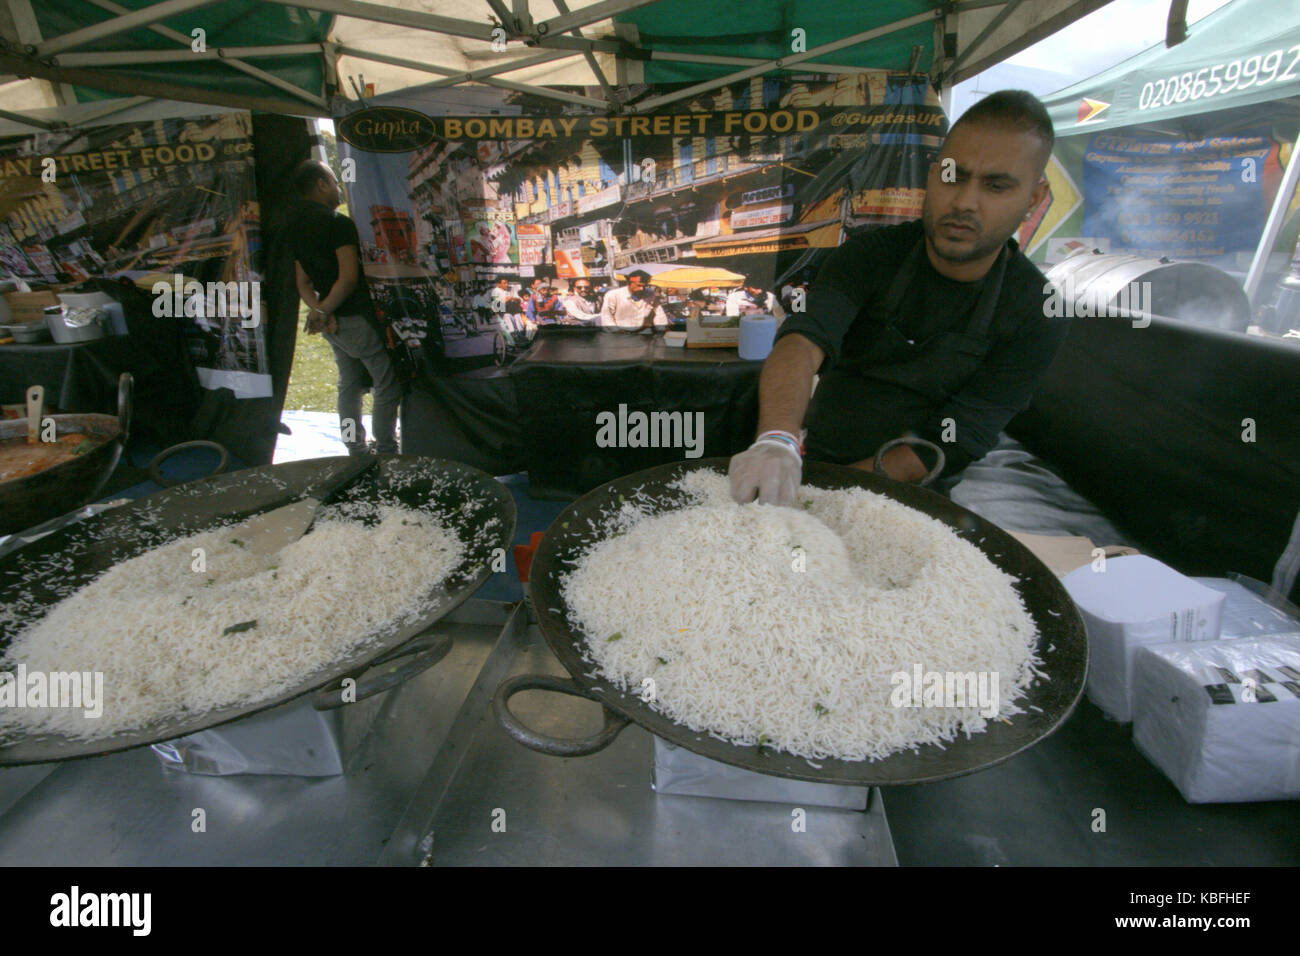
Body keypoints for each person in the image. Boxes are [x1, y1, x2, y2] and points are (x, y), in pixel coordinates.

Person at [729, 90, 1070, 506]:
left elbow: (960, 435)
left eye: (996, 186)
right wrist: (778, 440)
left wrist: (828, 499)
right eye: (952, 176)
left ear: (1033, 199)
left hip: (916, 494)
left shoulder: (1037, 311)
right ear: (932, 175)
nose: (964, 201)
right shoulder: (869, 255)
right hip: (814, 460)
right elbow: (803, 339)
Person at [290, 159, 401, 456]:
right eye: (335, 182)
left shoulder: (295, 226)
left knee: (349, 384)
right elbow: (349, 277)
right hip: (351, 317)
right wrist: (324, 312)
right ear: (321, 184)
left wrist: (320, 310)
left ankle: (355, 448)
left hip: (332, 322)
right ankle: (388, 449)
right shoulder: (338, 223)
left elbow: (302, 283)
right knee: (387, 383)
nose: (339, 188)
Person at [600, 269, 669, 329]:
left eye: (644, 286)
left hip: (643, 333)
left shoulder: (649, 293)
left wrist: (661, 328)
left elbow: (659, 313)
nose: (642, 288)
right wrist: (616, 331)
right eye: (639, 285)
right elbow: (606, 316)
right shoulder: (613, 295)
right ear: (629, 283)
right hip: (620, 333)